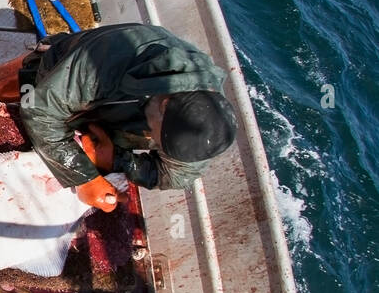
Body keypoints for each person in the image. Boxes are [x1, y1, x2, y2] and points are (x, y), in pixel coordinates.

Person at [14, 24, 238, 210]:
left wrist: (116, 159)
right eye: (158, 138)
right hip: (51, 76)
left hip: (97, 123)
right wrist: (84, 178)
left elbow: (177, 176)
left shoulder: (206, 125)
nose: (153, 140)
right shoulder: (115, 57)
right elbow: (38, 109)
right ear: (165, 105)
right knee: (9, 94)